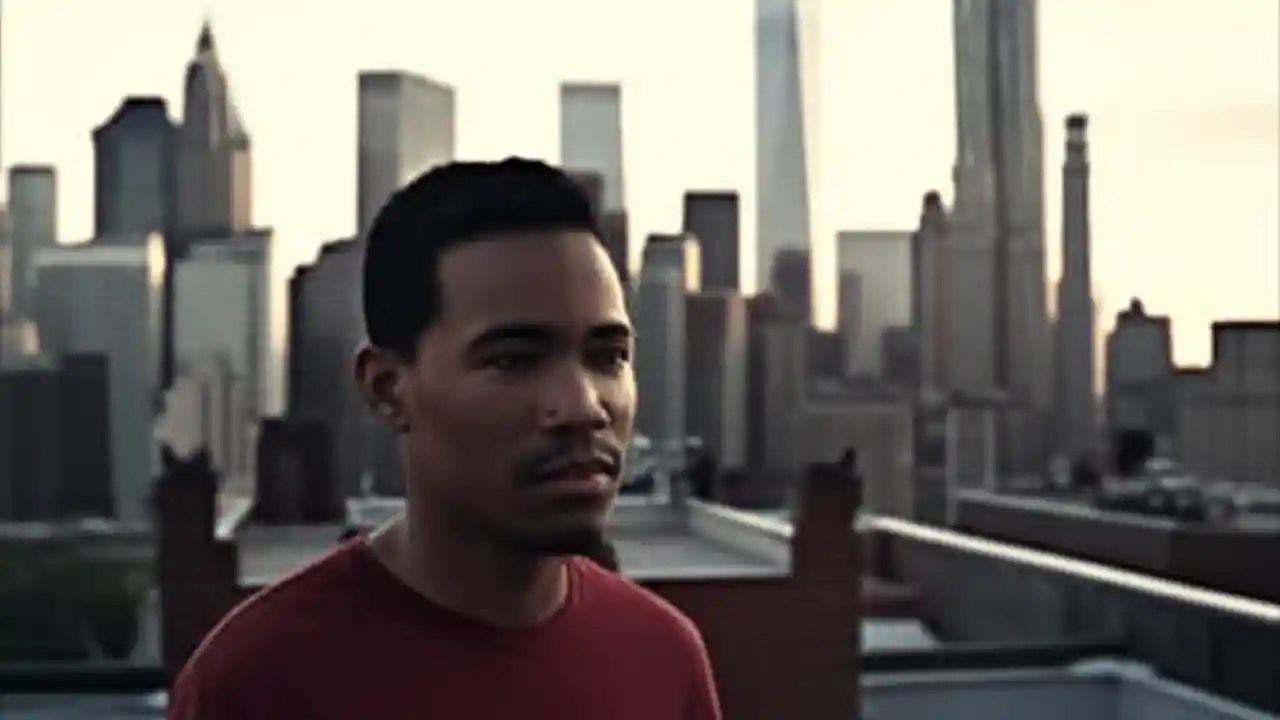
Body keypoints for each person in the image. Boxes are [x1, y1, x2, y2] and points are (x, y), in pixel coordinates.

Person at [167, 159, 722, 719]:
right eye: (514, 360)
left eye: (609, 357)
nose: (582, 406)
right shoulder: (259, 683)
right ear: (388, 388)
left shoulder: (663, 658)